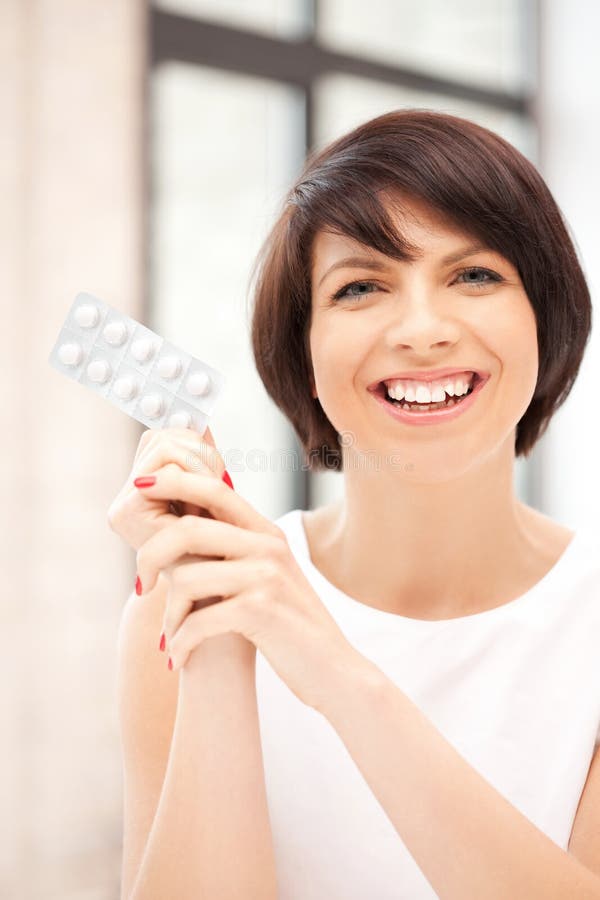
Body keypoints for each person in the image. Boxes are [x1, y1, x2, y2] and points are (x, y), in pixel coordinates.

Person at [109, 109, 599, 899]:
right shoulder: (190, 611)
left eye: (474, 275)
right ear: (304, 354)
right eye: (362, 286)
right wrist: (225, 658)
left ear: (546, 319)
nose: (422, 330)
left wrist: (338, 674)